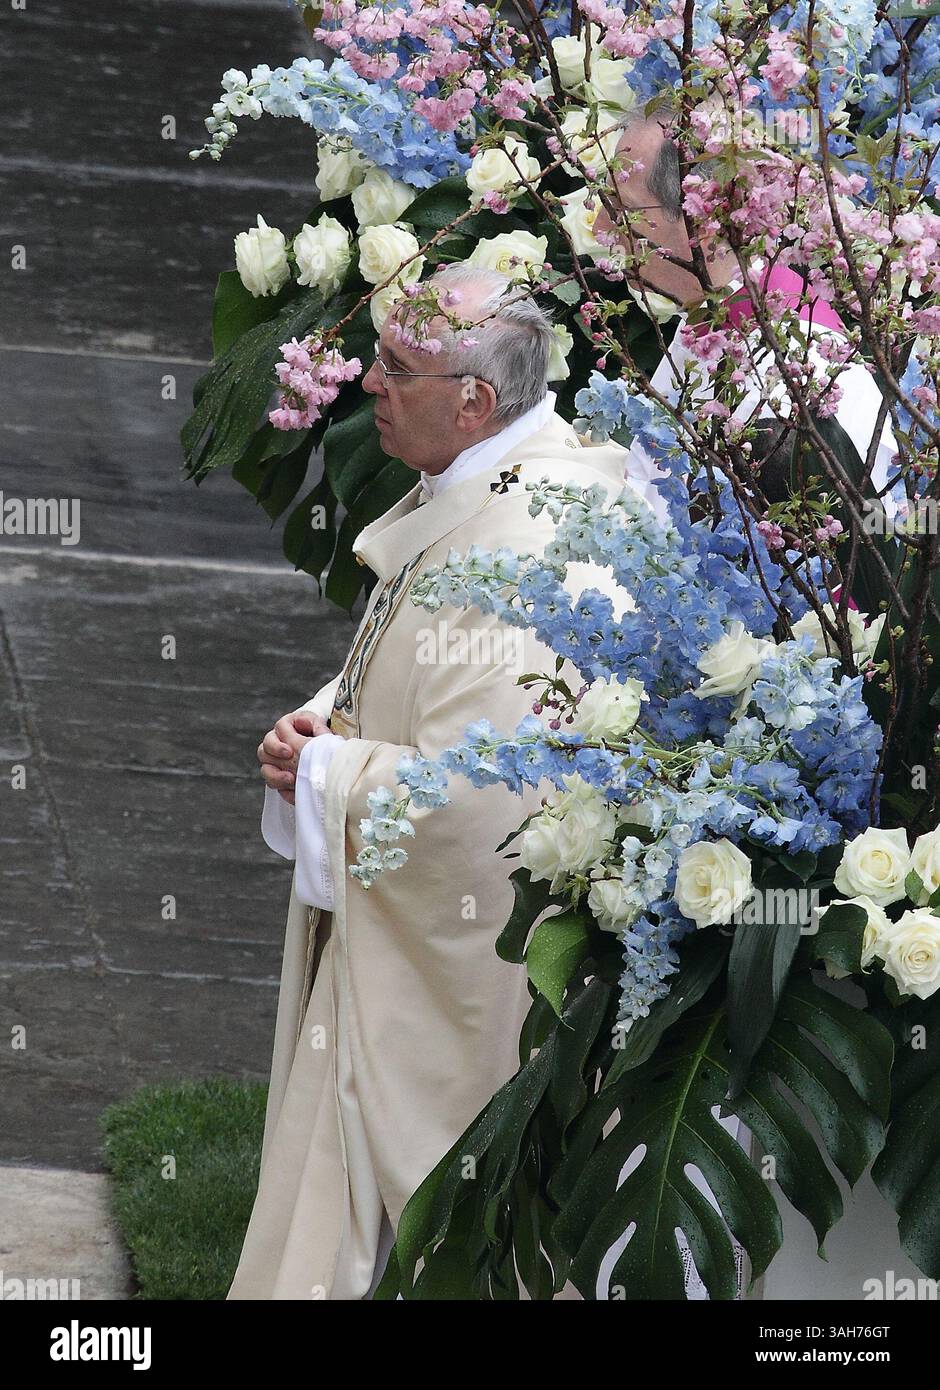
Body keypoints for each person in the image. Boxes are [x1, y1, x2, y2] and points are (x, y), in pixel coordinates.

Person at [227, 262, 640, 1300]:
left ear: (473, 401)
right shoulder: (487, 474)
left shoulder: (533, 533)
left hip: (451, 968)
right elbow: (427, 665)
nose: (366, 383)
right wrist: (328, 718)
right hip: (387, 926)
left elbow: (482, 798)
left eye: (394, 367)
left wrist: (330, 771)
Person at [591, 105, 900, 529]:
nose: (599, 229)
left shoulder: (785, 385)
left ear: (703, 221)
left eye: (622, 210)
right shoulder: (719, 312)